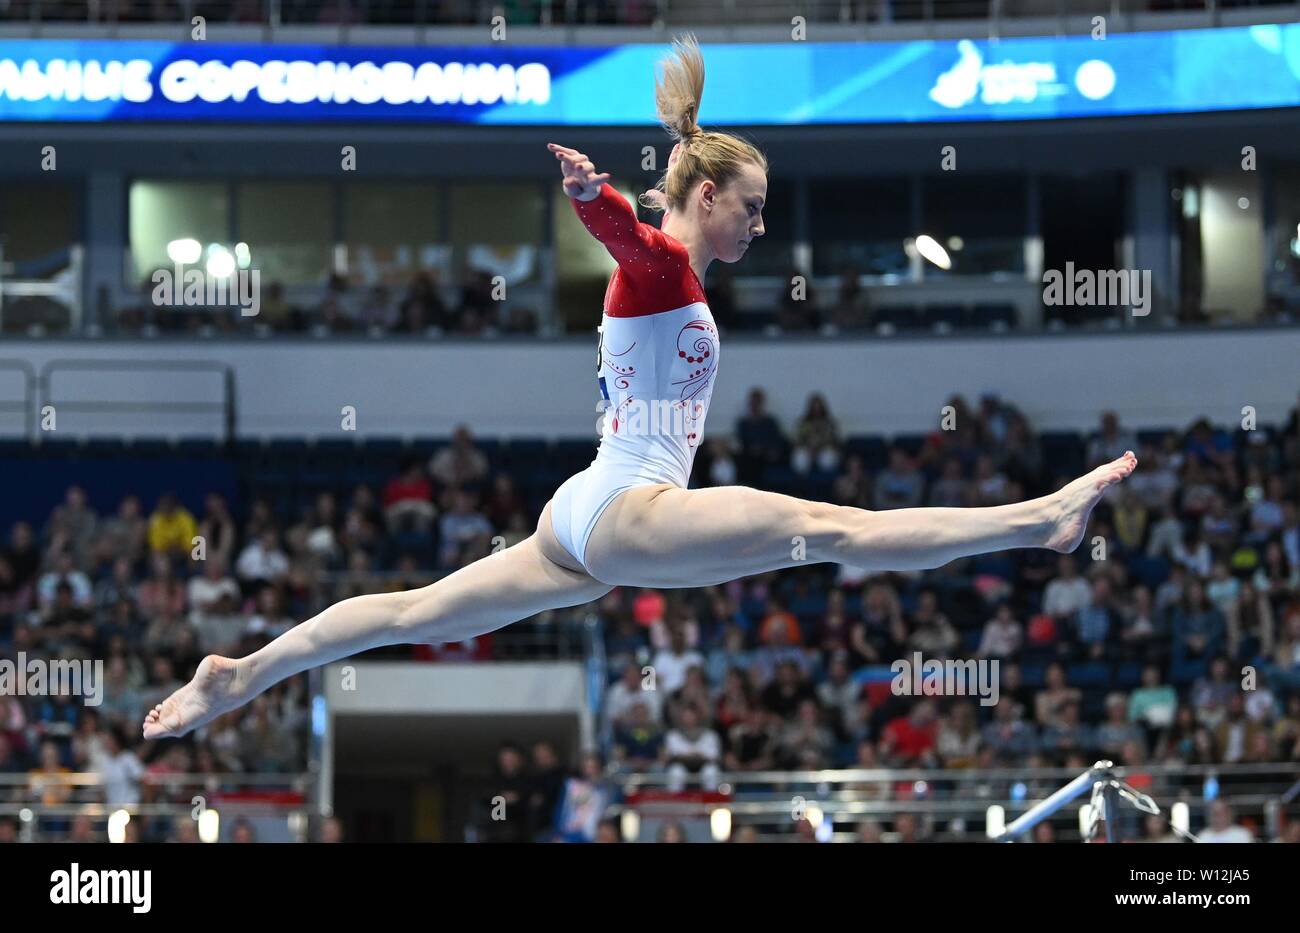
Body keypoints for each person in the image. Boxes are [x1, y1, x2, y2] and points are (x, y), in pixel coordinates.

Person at [143, 34, 1138, 741]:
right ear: (707, 196)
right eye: (749, 209)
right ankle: (1038, 517)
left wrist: (609, 210)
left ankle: (244, 673)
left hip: (583, 515)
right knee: (835, 530)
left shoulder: (677, 279)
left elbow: (647, 248)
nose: (758, 228)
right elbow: (634, 240)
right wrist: (596, 200)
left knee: (413, 613)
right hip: (625, 509)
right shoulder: (661, 266)